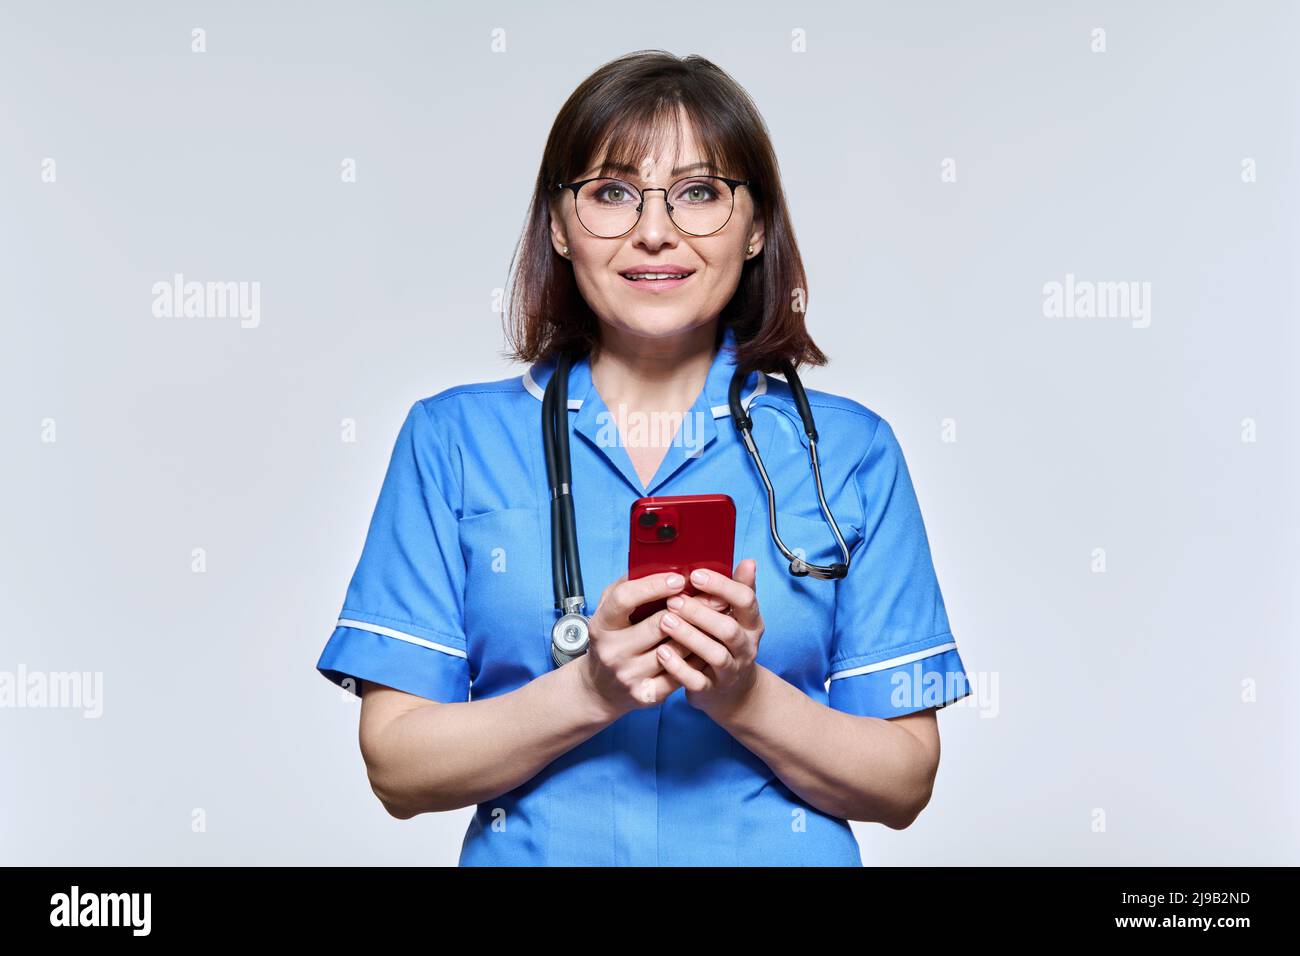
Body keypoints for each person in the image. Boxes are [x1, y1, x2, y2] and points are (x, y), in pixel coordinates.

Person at [316, 50, 971, 866]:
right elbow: (397, 765)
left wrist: (742, 693)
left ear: (757, 225)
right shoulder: (452, 442)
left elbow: (903, 781)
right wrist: (590, 689)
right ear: (558, 225)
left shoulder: (848, 452)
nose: (653, 230)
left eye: (700, 193)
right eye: (612, 193)